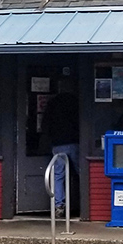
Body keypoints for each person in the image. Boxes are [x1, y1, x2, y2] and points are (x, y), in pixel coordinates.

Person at [41, 81, 79, 218]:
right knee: (81, 173)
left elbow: (45, 124)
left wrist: (46, 141)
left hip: (58, 144)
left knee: (58, 175)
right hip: (76, 142)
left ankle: (59, 205)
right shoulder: (76, 101)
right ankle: (84, 203)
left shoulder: (53, 103)